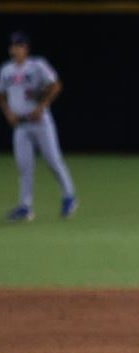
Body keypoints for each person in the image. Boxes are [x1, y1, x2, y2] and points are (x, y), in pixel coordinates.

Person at [1, 31, 77, 222]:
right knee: (24, 166)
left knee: (52, 160)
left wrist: (42, 106)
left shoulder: (37, 65)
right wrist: (8, 113)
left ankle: (69, 196)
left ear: (26, 49)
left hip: (40, 122)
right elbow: (2, 95)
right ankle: (25, 207)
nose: (16, 49)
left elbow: (56, 85)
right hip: (20, 125)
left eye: (20, 46)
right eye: (14, 46)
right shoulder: (6, 70)